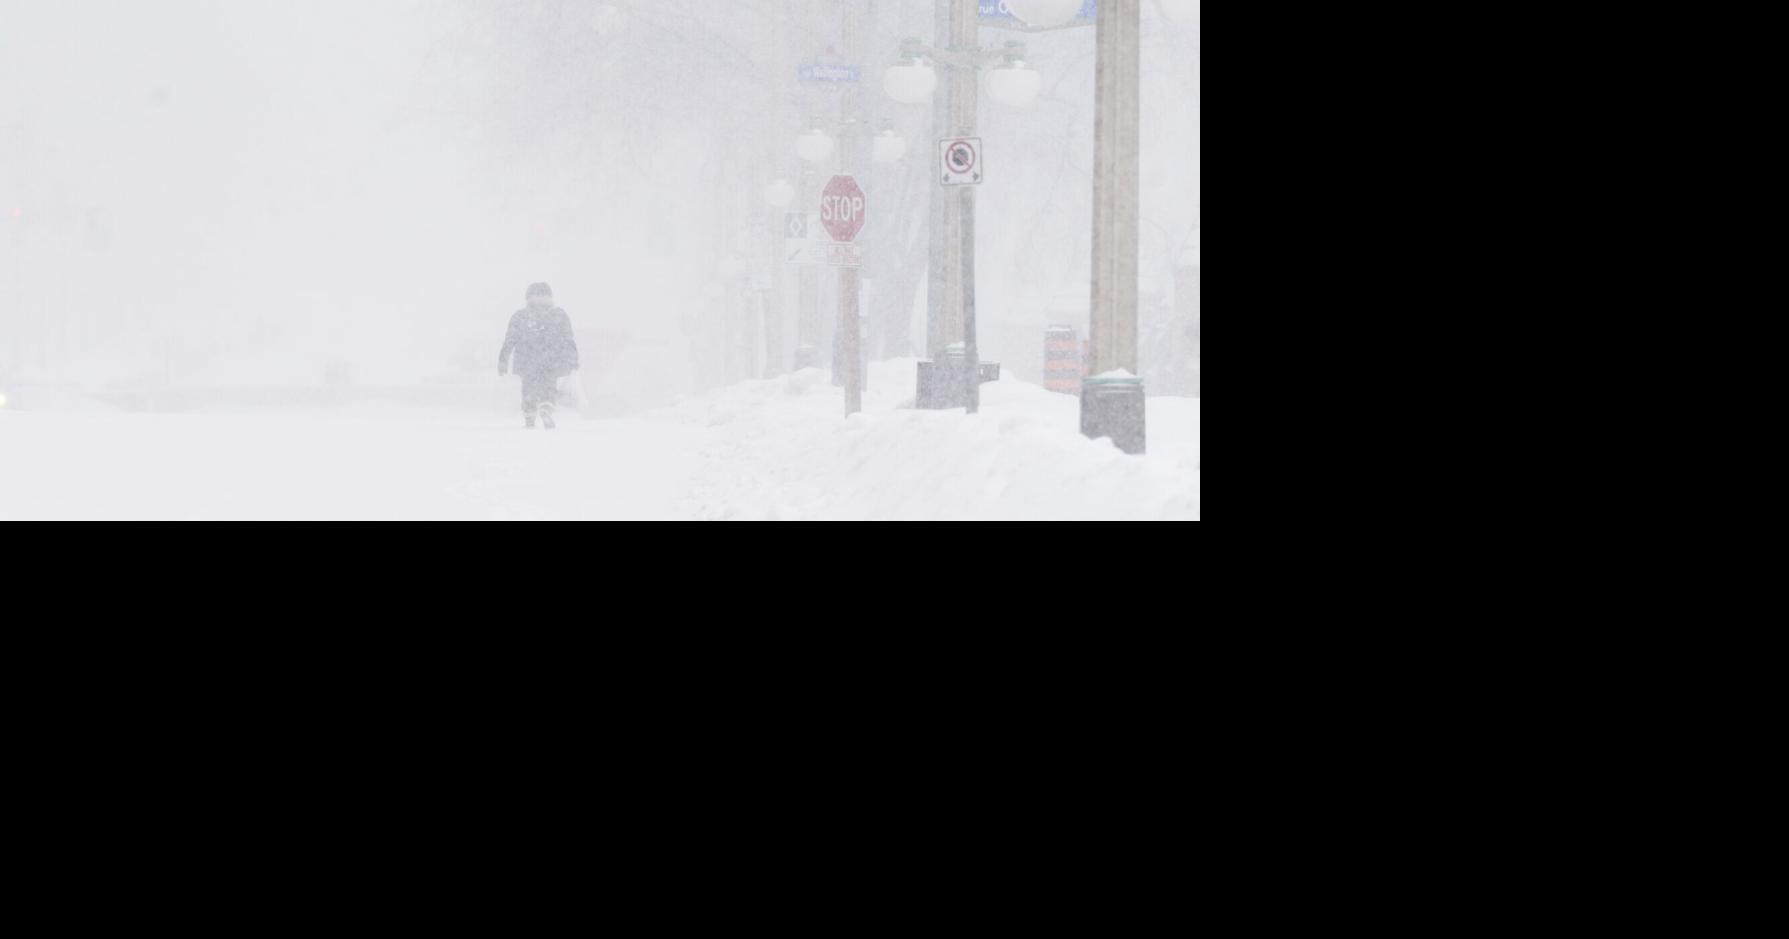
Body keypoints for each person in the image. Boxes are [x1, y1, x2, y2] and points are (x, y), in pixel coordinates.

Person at [499, 283, 579, 430]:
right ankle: (546, 408)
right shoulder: (559, 315)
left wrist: (503, 360)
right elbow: (568, 338)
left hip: (526, 359)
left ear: (528, 297)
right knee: (549, 386)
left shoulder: (520, 316)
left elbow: (509, 339)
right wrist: (573, 359)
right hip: (551, 359)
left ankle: (529, 415)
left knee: (528, 387)